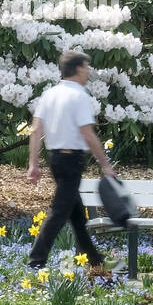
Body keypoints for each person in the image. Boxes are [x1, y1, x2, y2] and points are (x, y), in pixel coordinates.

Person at [25, 51, 118, 271]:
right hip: (72, 160)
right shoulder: (79, 96)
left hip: (56, 160)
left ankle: (96, 260)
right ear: (77, 69)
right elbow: (87, 133)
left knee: (76, 215)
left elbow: (36, 131)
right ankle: (36, 261)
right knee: (59, 212)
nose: (88, 72)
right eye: (86, 67)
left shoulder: (50, 94)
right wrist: (104, 164)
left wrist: (34, 164)